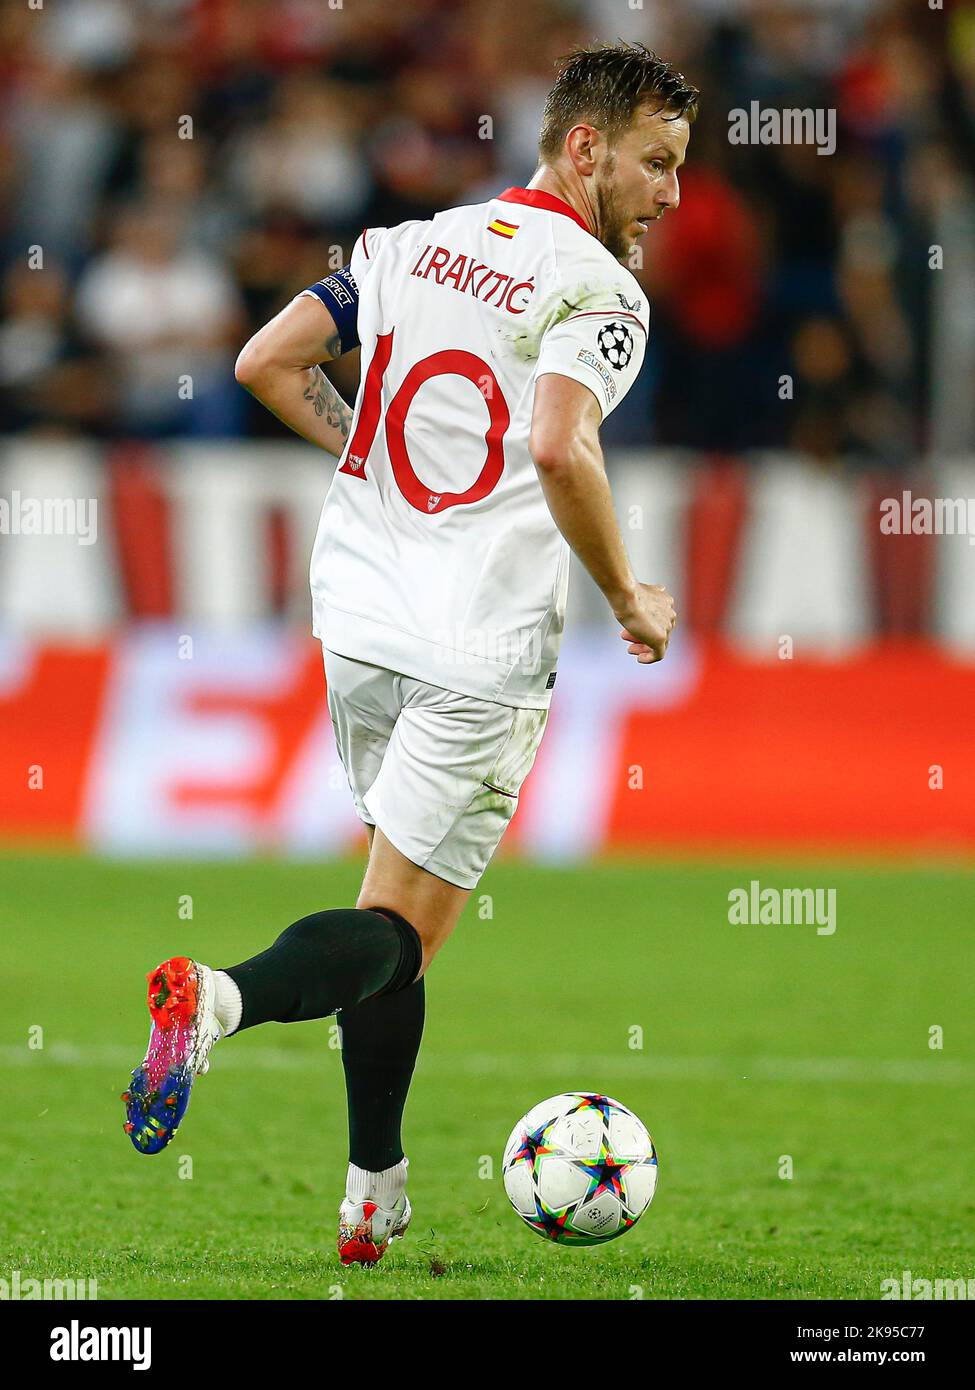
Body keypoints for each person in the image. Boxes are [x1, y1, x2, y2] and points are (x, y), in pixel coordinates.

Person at [121, 41, 695, 1267]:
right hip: (477, 645)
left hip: (359, 622)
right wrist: (629, 596)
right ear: (584, 149)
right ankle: (216, 999)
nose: (671, 195)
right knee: (400, 932)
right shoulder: (597, 292)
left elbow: (265, 362)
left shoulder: (402, 244)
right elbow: (556, 447)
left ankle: (372, 1189)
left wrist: (368, 462)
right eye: (656, 163)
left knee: (393, 918)